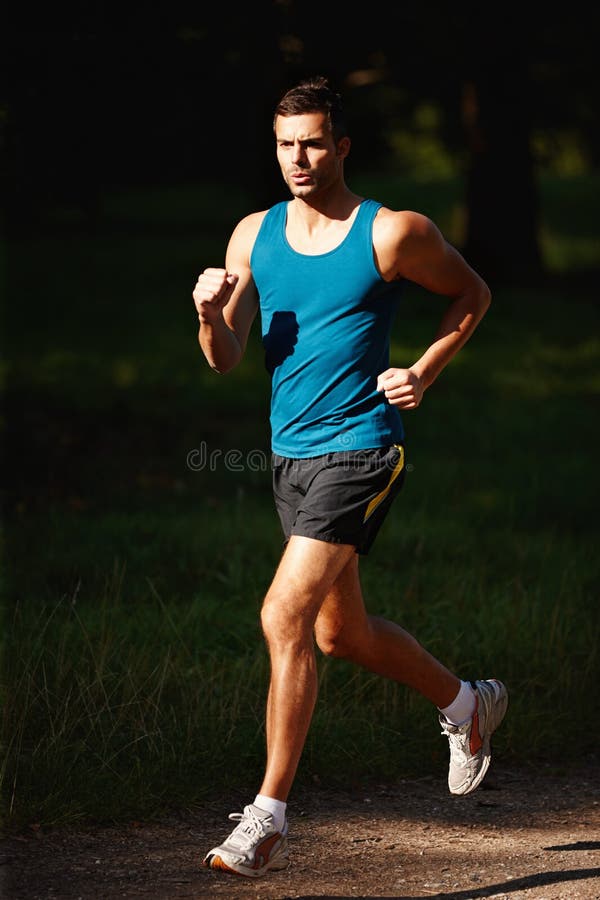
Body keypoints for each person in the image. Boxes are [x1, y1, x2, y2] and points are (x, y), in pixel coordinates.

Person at [193, 75, 508, 879]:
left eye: (313, 143)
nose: (299, 158)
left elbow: (472, 292)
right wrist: (208, 313)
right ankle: (468, 705)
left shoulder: (391, 233)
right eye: (285, 144)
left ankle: (268, 818)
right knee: (339, 634)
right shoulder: (252, 235)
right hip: (290, 455)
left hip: (363, 447)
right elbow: (226, 359)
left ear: (342, 146)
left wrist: (427, 372)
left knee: (281, 615)